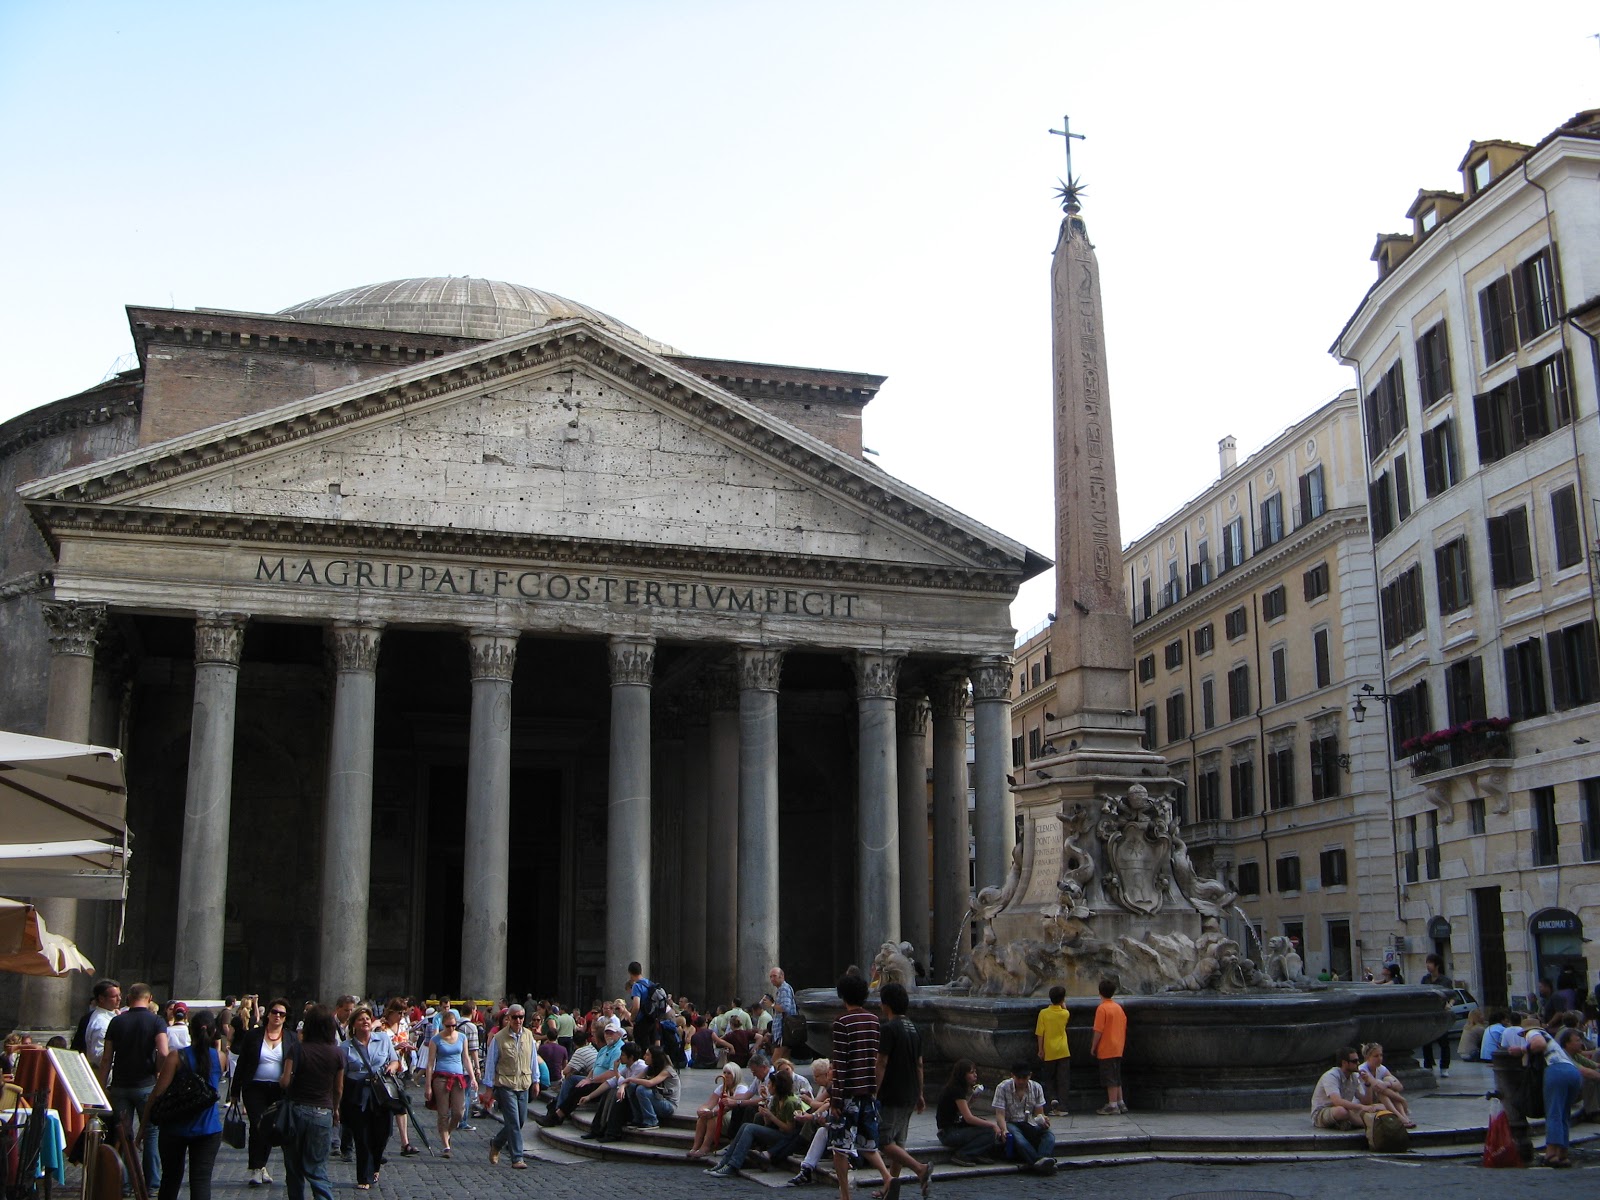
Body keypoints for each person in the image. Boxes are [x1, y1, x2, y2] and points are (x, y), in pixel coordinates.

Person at [148, 1009, 227, 1200]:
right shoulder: (221, 1058)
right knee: (201, 1181)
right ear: (213, 1032)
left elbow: (158, 1093)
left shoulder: (176, 1057)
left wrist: (144, 1125)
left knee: (170, 1180)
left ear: (190, 1031)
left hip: (175, 1126)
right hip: (208, 1128)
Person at [99, 981, 169, 1194]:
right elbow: (164, 1053)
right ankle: (152, 1184)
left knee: (124, 1135)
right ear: (149, 999)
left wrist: (101, 1087)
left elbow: (106, 1058)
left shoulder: (117, 1022)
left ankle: (125, 1183)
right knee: (151, 1133)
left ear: (129, 998)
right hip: (146, 1085)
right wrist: (159, 1072)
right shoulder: (156, 1021)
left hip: (120, 1085)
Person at [827, 972, 892, 1200]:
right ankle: (887, 1177)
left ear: (842, 996)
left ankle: (845, 1194)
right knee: (868, 1143)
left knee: (840, 1147)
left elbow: (840, 1063)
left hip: (848, 1092)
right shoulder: (874, 1020)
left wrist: (835, 1099)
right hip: (868, 1090)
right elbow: (876, 1057)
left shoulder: (842, 1022)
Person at [277, 1004, 343, 1200]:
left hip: (296, 1110)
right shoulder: (337, 1053)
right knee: (317, 1167)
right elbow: (338, 1088)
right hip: (323, 1111)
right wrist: (336, 1108)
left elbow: (285, 1082)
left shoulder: (296, 1049)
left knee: (294, 1169)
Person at [874, 982, 933, 1196]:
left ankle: (920, 1168)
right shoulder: (913, 1028)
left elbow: (881, 1062)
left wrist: (874, 1090)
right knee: (898, 1142)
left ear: (885, 1005)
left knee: (883, 1140)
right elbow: (919, 1064)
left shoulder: (888, 1029)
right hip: (909, 1092)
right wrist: (920, 1093)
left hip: (892, 1091)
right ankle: (890, 1187)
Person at [232, 997, 298, 1186]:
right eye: (275, 1012)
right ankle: (255, 1168)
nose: (277, 1016)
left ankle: (261, 1167)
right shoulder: (253, 1036)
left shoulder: (291, 1037)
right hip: (254, 1087)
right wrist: (235, 1092)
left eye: (282, 1014)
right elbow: (242, 1063)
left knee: (270, 1127)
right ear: (268, 1014)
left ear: (286, 1018)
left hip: (278, 1090)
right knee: (257, 1124)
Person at [339, 1005, 400, 1189]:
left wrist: (392, 1067)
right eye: (360, 1019)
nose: (365, 1022)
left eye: (367, 1018)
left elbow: (395, 1059)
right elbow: (341, 1075)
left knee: (383, 1133)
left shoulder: (382, 1039)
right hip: (358, 1094)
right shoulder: (345, 1047)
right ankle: (363, 1177)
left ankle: (374, 1165)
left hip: (381, 1094)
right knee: (362, 1136)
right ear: (354, 1025)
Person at [706, 1063, 802, 1177]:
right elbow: (768, 1124)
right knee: (745, 1126)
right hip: (776, 1132)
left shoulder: (790, 1103)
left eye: (770, 1084)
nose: (768, 1085)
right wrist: (766, 1115)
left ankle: (733, 1165)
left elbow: (789, 1129)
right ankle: (724, 1162)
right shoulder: (776, 1099)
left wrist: (771, 1116)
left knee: (750, 1128)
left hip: (784, 1138)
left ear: (777, 1086)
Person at [1527, 1026, 1600, 1166]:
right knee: (1564, 1115)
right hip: (1573, 1076)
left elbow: (1539, 1044)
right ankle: (1563, 1154)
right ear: (1566, 1043)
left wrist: (1523, 1049)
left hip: (1557, 1072)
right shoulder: (1561, 1051)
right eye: (1577, 1040)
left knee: (1554, 1113)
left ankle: (1551, 1155)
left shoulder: (1533, 1034)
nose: (1581, 1043)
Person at [485, 1003, 534, 1169]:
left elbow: (532, 1059)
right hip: (505, 1084)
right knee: (513, 1121)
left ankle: (496, 1143)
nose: (518, 1020)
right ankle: (517, 1157)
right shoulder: (499, 1038)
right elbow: (491, 1063)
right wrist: (488, 1088)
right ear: (508, 1018)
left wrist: (536, 1080)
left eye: (521, 1017)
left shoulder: (528, 1035)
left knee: (519, 1122)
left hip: (524, 1083)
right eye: (515, 1017)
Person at [425, 1008, 477, 1157]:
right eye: (448, 1026)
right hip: (441, 1077)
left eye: (453, 1025)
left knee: (459, 1112)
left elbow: (466, 1058)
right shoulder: (436, 1040)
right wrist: (428, 1085)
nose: (451, 1028)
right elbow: (430, 1063)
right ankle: (446, 1145)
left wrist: (473, 1077)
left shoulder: (462, 1037)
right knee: (443, 1113)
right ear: (443, 1025)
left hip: (458, 1077)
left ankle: (447, 1131)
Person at [991, 1061, 1056, 1173]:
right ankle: (1040, 1162)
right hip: (1011, 1122)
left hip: (1029, 1122)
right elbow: (1000, 1114)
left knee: (1049, 1135)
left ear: (1029, 1075)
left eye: (1024, 1077)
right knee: (1018, 1138)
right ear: (1012, 1076)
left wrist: (1043, 1120)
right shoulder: (1002, 1087)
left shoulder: (1036, 1087)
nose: (1021, 1081)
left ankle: (1041, 1160)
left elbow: (1039, 1112)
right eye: (1018, 1077)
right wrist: (1004, 1129)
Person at [936, 1058, 1000, 1166]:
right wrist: (993, 1125)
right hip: (948, 1133)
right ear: (963, 1075)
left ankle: (978, 1153)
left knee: (983, 1125)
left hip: (951, 1129)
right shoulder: (956, 1090)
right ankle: (964, 1154)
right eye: (971, 1072)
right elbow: (968, 1118)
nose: (975, 1075)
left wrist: (970, 1101)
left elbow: (958, 1112)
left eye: (975, 1072)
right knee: (989, 1131)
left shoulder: (956, 1088)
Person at [376, 1000, 419, 1156]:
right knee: (387, 1108)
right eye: (399, 1013)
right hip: (385, 1072)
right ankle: (380, 1144)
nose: (401, 1016)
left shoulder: (403, 1026)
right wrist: (395, 1047)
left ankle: (405, 1143)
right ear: (390, 1011)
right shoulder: (381, 1027)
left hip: (401, 1070)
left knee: (402, 1105)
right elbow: (378, 1048)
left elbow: (404, 1042)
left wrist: (407, 1047)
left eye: (403, 1013)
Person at [1310, 1046, 1378, 1129]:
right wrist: (1362, 1107)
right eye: (1354, 1061)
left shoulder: (1354, 1077)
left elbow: (1367, 1102)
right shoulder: (1331, 1076)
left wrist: (1367, 1084)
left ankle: (1346, 1123)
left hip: (1346, 1110)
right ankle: (1365, 1124)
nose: (1358, 1063)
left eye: (1358, 1060)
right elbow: (1337, 1101)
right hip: (1322, 1113)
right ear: (1344, 1063)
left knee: (1378, 1107)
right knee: (1342, 1112)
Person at [687, 1063, 744, 1160]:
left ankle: (705, 1146)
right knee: (703, 1117)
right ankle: (696, 1146)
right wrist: (702, 1110)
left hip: (732, 1121)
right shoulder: (721, 1088)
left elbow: (728, 1107)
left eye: (729, 1073)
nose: (725, 1075)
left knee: (713, 1117)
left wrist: (713, 1113)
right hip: (721, 1116)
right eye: (724, 1072)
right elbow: (710, 1103)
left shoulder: (741, 1089)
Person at [1357, 1043, 1415, 1127]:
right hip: (1366, 1101)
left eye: (1381, 1055)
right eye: (1376, 1056)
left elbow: (1399, 1086)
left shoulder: (1381, 1068)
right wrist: (1402, 1100)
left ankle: (1403, 1116)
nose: (1379, 1058)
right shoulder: (1362, 1069)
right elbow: (1377, 1087)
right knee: (1380, 1087)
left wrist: (1388, 1083)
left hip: (1378, 1098)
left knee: (1388, 1080)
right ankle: (1399, 1116)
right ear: (1367, 1057)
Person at [1091, 978, 1126, 1115]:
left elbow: (1098, 1030)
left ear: (1100, 992)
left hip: (1107, 1047)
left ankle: (1112, 1105)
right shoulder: (1118, 1008)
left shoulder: (1102, 1008)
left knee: (1110, 1077)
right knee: (1117, 1076)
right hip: (1118, 1046)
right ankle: (1120, 1102)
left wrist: (1093, 1046)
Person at [1034, 985, 1071, 1115]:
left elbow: (1040, 1033)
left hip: (1049, 1050)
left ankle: (1052, 1100)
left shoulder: (1044, 1013)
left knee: (1049, 1078)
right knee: (1063, 1079)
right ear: (1063, 999)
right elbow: (1065, 1012)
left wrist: (1040, 1049)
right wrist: (1063, 1005)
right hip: (1063, 1050)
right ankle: (1064, 1106)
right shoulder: (1065, 1013)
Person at [627, 1045, 680, 1129]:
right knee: (632, 1086)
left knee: (642, 1089)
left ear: (655, 1057)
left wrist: (630, 1079)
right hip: (657, 1098)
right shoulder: (649, 1068)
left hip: (668, 1105)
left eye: (647, 1055)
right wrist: (624, 1085)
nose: (644, 1057)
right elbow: (634, 1080)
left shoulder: (667, 1070)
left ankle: (651, 1121)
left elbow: (650, 1083)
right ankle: (638, 1119)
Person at [1419, 955, 1452, 1078]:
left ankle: (1444, 1067)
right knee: (1426, 1042)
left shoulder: (1445, 981)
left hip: (1441, 1014)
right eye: (1427, 963)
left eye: (1430, 963)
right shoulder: (1425, 979)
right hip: (1428, 1014)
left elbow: (1452, 996)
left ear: (1437, 965)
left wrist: (1449, 1005)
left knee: (1444, 1042)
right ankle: (1428, 1065)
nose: (1428, 966)